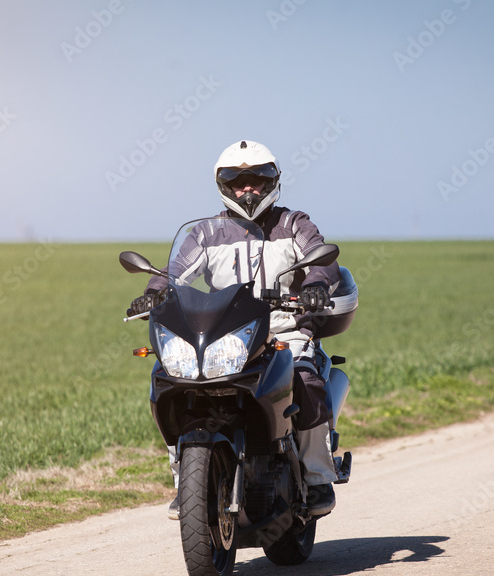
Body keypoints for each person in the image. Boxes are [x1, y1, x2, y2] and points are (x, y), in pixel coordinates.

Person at [128, 140, 341, 520]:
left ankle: (318, 475)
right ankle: (186, 481)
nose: (249, 188)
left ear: (271, 181)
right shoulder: (207, 233)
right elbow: (174, 273)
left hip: (283, 329)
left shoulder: (293, 224)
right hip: (230, 332)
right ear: (224, 186)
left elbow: (322, 260)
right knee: (170, 380)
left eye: (257, 179)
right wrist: (153, 295)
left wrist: (316, 286)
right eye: (238, 181)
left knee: (304, 379)